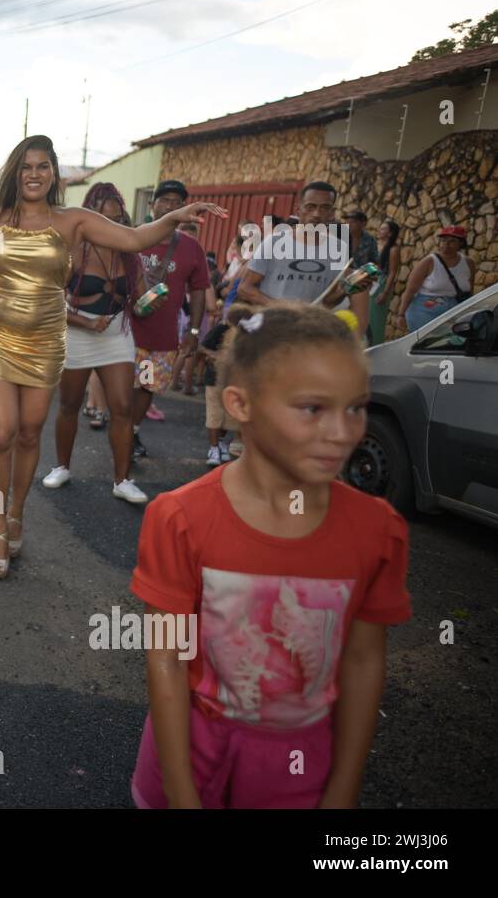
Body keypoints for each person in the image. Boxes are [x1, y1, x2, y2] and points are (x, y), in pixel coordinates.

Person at [129, 303, 410, 808]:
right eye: (313, 408)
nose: (345, 432)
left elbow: (364, 659)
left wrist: (344, 788)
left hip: (299, 768)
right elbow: (166, 657)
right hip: (191, 752)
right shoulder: (179, 519)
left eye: (356, 407)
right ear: (240, 403)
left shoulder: (378, 531)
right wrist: (180, 790)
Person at [0, 139, 223, 578]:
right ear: (15, 172)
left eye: (43, 166)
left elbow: (134, 237)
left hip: (46, 339)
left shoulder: (75, 221)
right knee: (2, 431)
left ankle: (16, 514)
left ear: (54, 174)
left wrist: (173, 218)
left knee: (29, 434)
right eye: (26, 166)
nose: (34, 174)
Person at [43, 181, 145, 503]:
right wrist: (85, 321)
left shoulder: (129, 254)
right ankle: (62, 466)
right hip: (76, 335)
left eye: (115, 220)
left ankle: (123, 480)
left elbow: (141, 298)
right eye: (102, 219)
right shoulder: (72, 249)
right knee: (70, 405)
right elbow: (50, 301)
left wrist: (150, 303)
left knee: (123, 407)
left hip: (117, 337)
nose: (109, 227)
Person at [127, 180, 212, 462]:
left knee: (146, 387)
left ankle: (131, 432)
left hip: (160, 340)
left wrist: (194, 329)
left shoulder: (191, 248)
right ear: (152, 206)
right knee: (123, 387)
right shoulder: (131, 237)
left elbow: (198, 290)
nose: (172, 206)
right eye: (165, 200)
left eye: (178, 202)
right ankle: (120, 428)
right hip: (124, 333)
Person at [235, 181, 371, 335]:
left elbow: (328, 301)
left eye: (324, 208)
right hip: (270, 330)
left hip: (309, 333)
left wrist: (350, 288)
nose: (317, 214)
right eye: (310, 207)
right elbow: (244, 288)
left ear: (332, 213)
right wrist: (281, 307)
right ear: (298, 210)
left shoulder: (339, 249)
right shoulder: (273, 242)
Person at [196, 303, 252, 466]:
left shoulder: (247, 336)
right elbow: (202, 348)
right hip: (214, 379)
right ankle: (213, 448)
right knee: (214, 415)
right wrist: (217, 356)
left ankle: (220, 443)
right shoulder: (221, 330)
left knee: (228, 417)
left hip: (233, 381)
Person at [397, 225, 474, 333]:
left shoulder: (468, 263)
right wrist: (401, 315)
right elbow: (410, 290)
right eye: (443, 240)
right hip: (425, 310)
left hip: (453, 311)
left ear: (461, 243)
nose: (446, 244)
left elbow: (469, 290)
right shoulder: (429, 262)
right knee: (427, 345)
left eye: (452, 241)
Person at [369, 218, 401, 345]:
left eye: (383, 229)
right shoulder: (374, 244)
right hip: (369, 281)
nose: (379, 231)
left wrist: (385, 293)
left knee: (376, 320)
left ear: (390, 233)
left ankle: (375, 345)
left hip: (381, 284)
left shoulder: (393, 249)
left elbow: (392, 272)